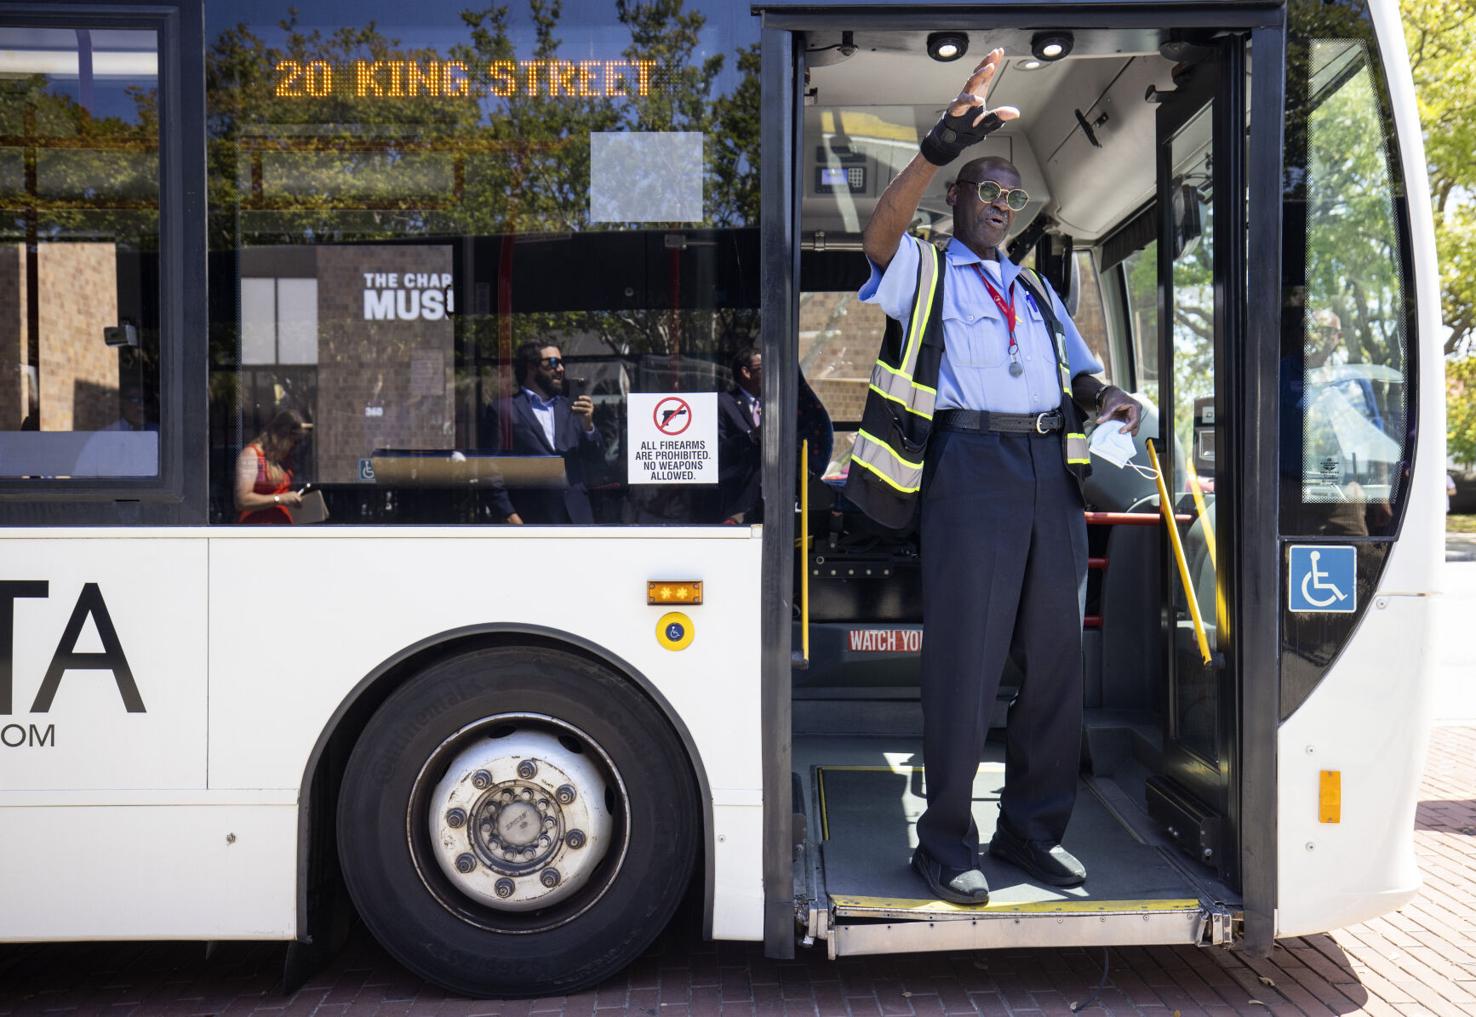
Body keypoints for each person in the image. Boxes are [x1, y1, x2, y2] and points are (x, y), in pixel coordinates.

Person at [846, 50, 1142, 906]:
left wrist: (1108, 393)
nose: (1002, 206)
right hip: (968, 469)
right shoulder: (928, 271)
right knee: (967, 664)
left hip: (1051, 470)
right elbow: (880, 235)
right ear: (958, 199)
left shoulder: (1040, 290)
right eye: (988, 191)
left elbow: (1081, 375)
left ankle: (1031, 830)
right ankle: (943, 843)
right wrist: (940, 145)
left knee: (1055, 663)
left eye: (1013, 197)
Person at [485, 341, 604, 524]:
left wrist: (588, 426)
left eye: (562, 363)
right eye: (554, 362)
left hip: (577, 517)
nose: (561, 369)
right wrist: (508, 514)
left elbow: (596, 461)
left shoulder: (572, 408)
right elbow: (491, 469)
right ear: (531, 366)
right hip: (530, 517)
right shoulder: (504, 410)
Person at [235, 409, 310, 524]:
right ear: (281, 437)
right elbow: (242, 500)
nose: (295, 447)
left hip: (282, 525)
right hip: (259, 526)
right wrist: (280, 499)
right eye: (294, 442)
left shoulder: (283, 458)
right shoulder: (252, 455)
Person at [717, 345, 764, 524]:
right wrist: (752, 436)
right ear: (746, 372)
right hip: (739, 500)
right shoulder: (724, 404)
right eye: (764, 368)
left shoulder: (774, 404)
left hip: (771, 501)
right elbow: (718, 451)